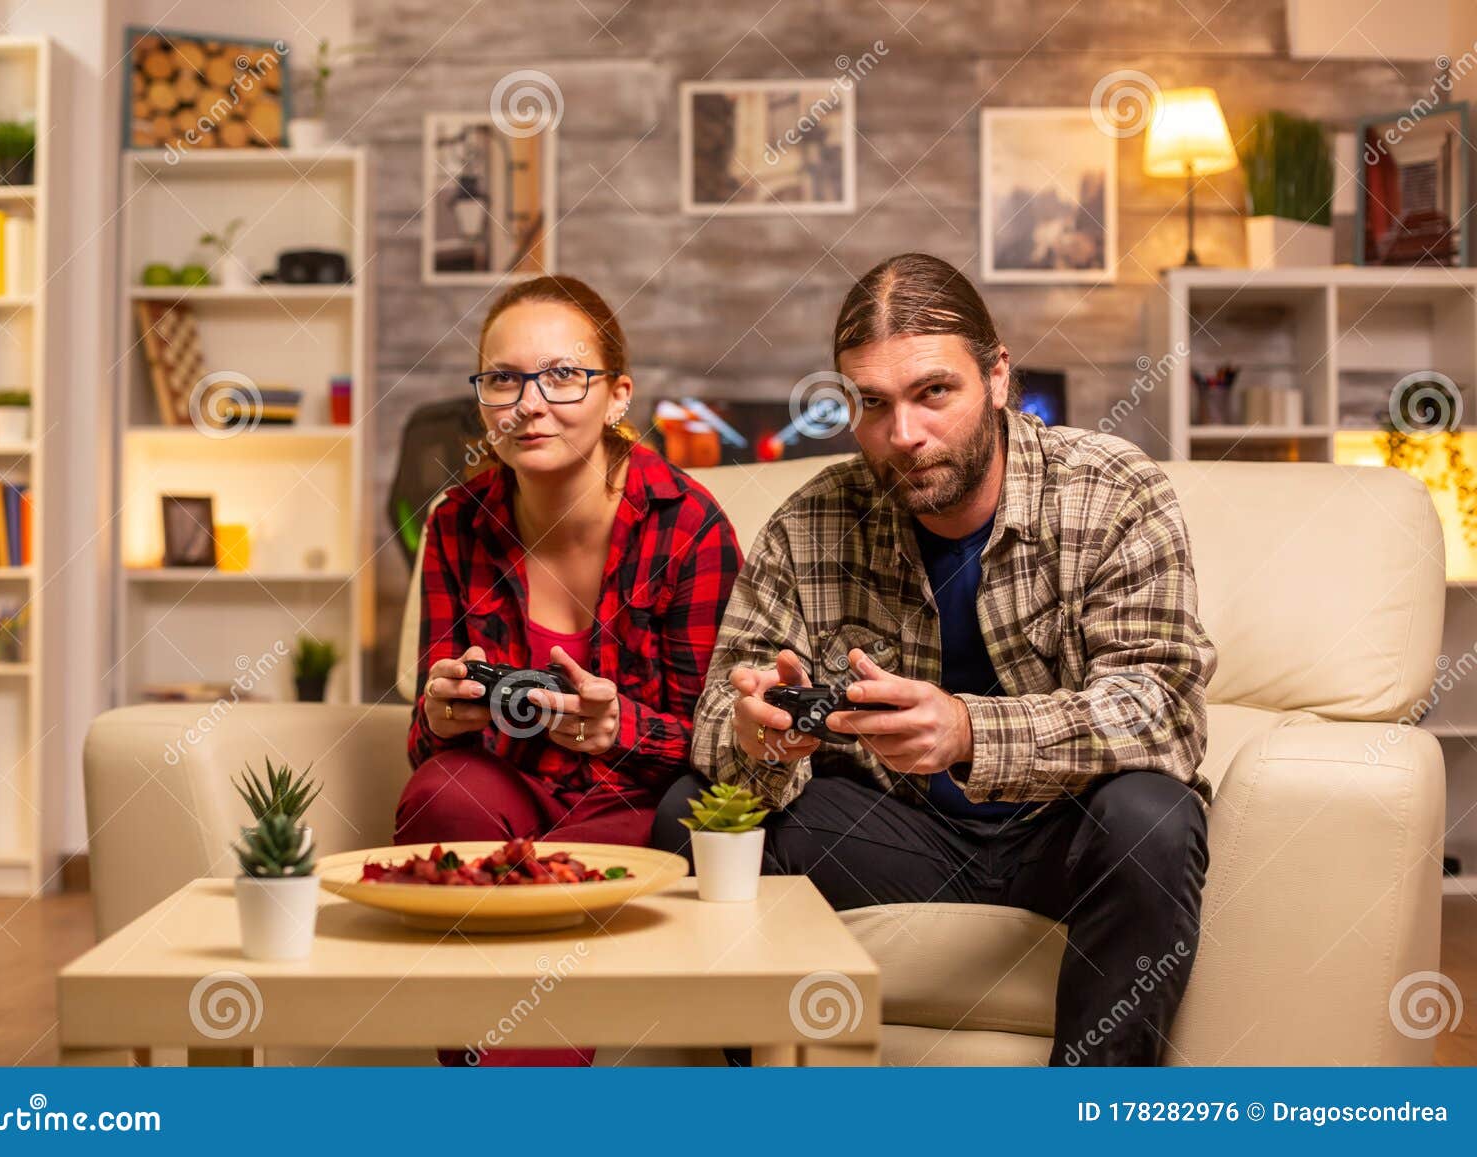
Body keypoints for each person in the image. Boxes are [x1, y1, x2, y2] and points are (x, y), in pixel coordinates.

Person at [653, 253, 1217, 1067]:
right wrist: (758, 736)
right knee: (693, 812)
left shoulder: (1111, 491)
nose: (904, 435)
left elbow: (1161, 709)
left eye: (934, 392)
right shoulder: (809, 522)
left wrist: (966, 730)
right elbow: (716, 717)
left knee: (1152, 817)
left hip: (1064, 837)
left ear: (997, 376)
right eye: (873, 403)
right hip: (899, 838)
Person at [400, 274, 742, 1065]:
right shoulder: (456, 523)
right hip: (507, 789)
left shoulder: (688, 526)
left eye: (562, 375)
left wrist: (619, 725)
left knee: (578, 872)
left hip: (634, 799)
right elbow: (426, 738)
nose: (529, 404)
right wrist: (441, 712)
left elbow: (720, 743)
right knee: (442, 791)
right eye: (503, 379)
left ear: (617, 395)